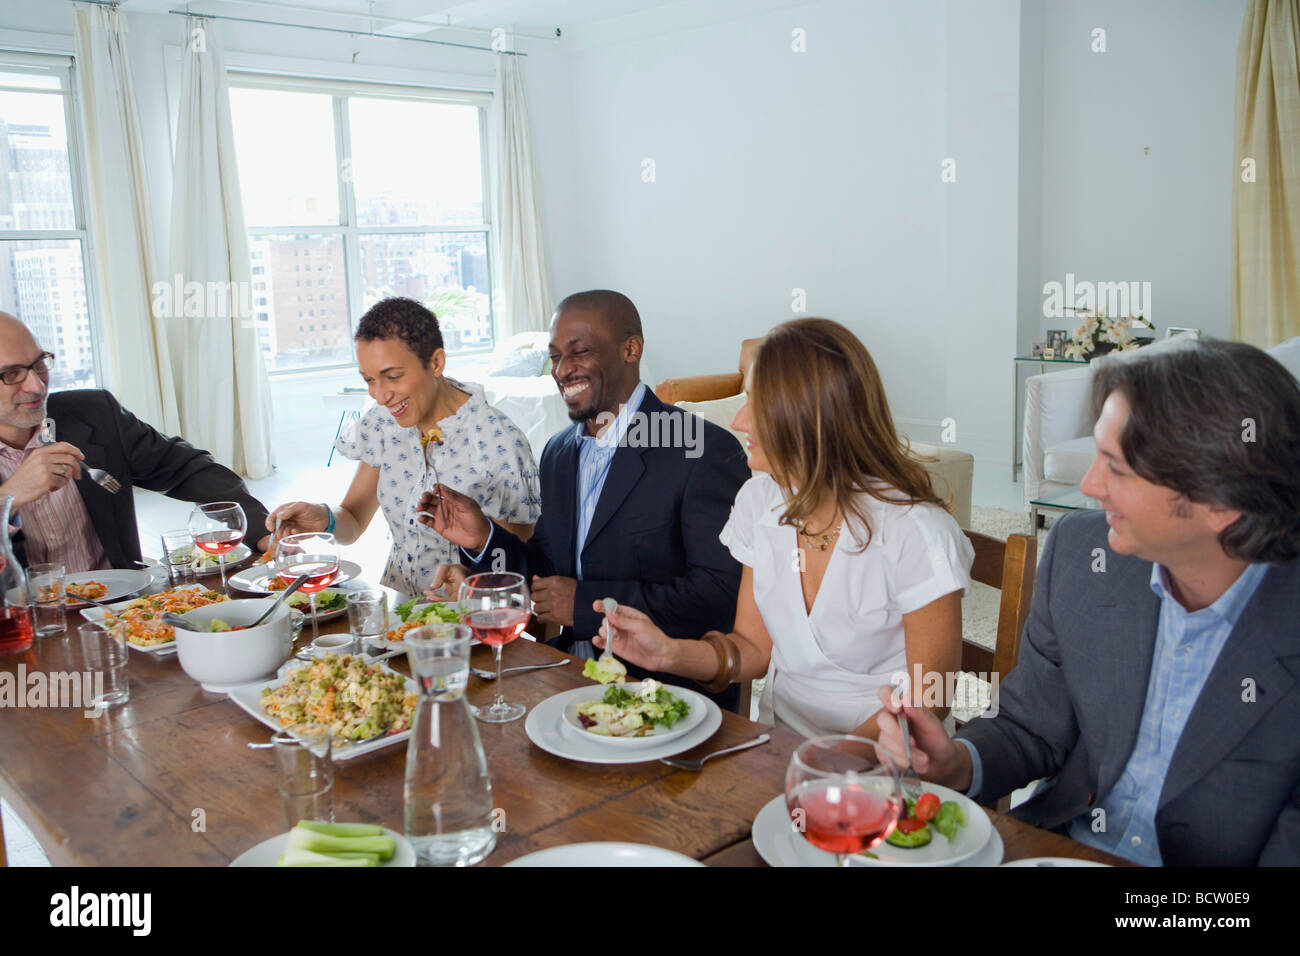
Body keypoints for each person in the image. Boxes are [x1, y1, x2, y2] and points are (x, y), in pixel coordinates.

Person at [876, 338, 1300, 866]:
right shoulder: (1085, 555)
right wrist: (955, 762)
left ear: (1221, 501)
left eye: (1116, 468)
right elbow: (1030, 726)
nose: (1088, 485)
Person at [590, 318, 973, 737]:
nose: (738, 421)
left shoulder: (914, 531)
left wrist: (826, 762)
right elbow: (752, 649)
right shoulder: (759, 502)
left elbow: (929, 701)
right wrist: (666, 653)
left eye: (755, 402)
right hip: (780, 752)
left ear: (810, 417)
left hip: (889, 768)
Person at [420, 289, 750, 710]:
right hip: (566, 683)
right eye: (555, 356)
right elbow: (548, 575)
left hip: (666, 700)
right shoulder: (558, 453)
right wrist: (483, 537)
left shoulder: (702, 450)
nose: (562, 370)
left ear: (631, 349)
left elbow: (719, 594)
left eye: (579, 352)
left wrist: (585, 606)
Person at [268, 297, 540, 596]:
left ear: (436, 363)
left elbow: (523, 569)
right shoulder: (383, 424)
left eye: (393, 377)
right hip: (399, 612)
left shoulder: (497, 441)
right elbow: (354, 519)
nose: (380, 395)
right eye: (369, 380)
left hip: (466, 621)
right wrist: (325, 519)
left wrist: (474, 589)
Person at [0, 312, 270, 571]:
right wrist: (8, 498)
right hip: (20, 617)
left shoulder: (93, 412)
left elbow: (185, 468)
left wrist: (262, 532)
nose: (37, 386)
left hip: (121, 610)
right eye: (12, 375)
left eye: (39, 364)